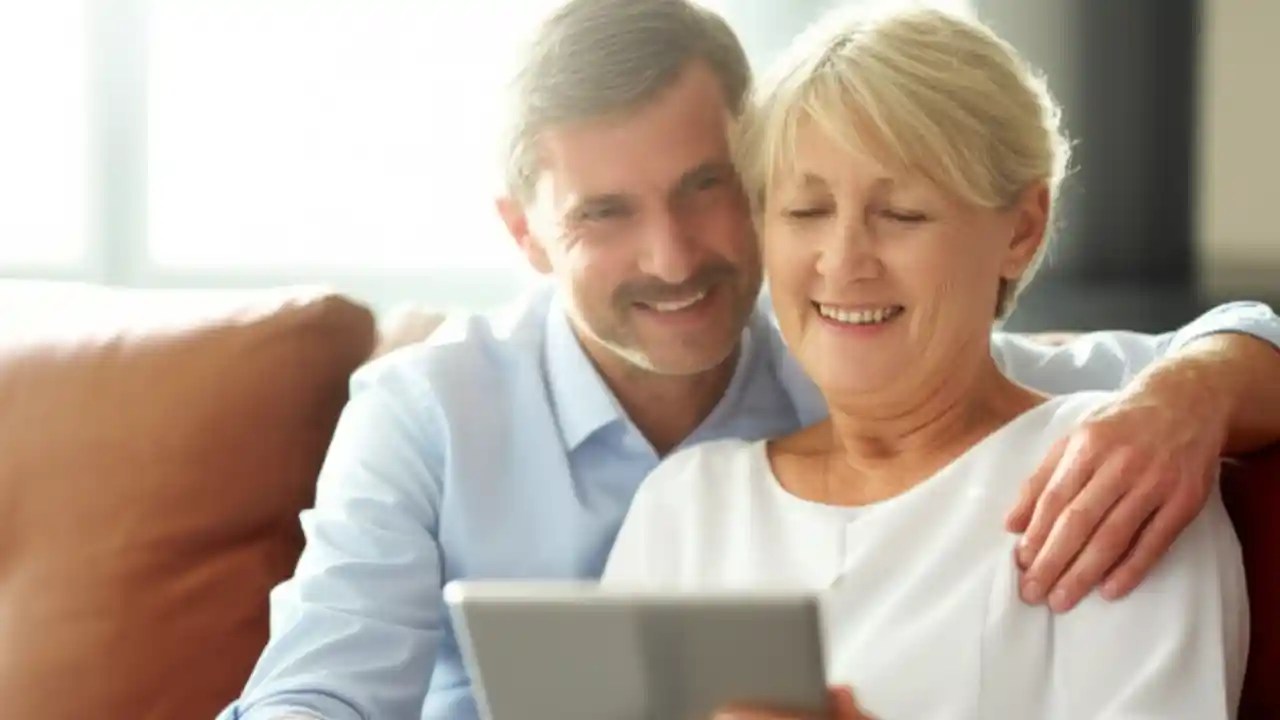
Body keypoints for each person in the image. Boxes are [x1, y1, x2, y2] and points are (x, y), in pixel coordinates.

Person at [222, 1, 1280, 718]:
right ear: (525, 235)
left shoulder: (1074, 447)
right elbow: (313, 697)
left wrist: (1196, 389)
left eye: (703, 187)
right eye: (603, 213)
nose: (672, 256)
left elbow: (1206, 354)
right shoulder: (449, 420)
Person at [603, 6, 1269, 719]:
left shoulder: (1109, 476)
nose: (843, 261)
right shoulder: (687, 504)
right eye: (805, 212)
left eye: (903, 214)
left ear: (1022, 229)